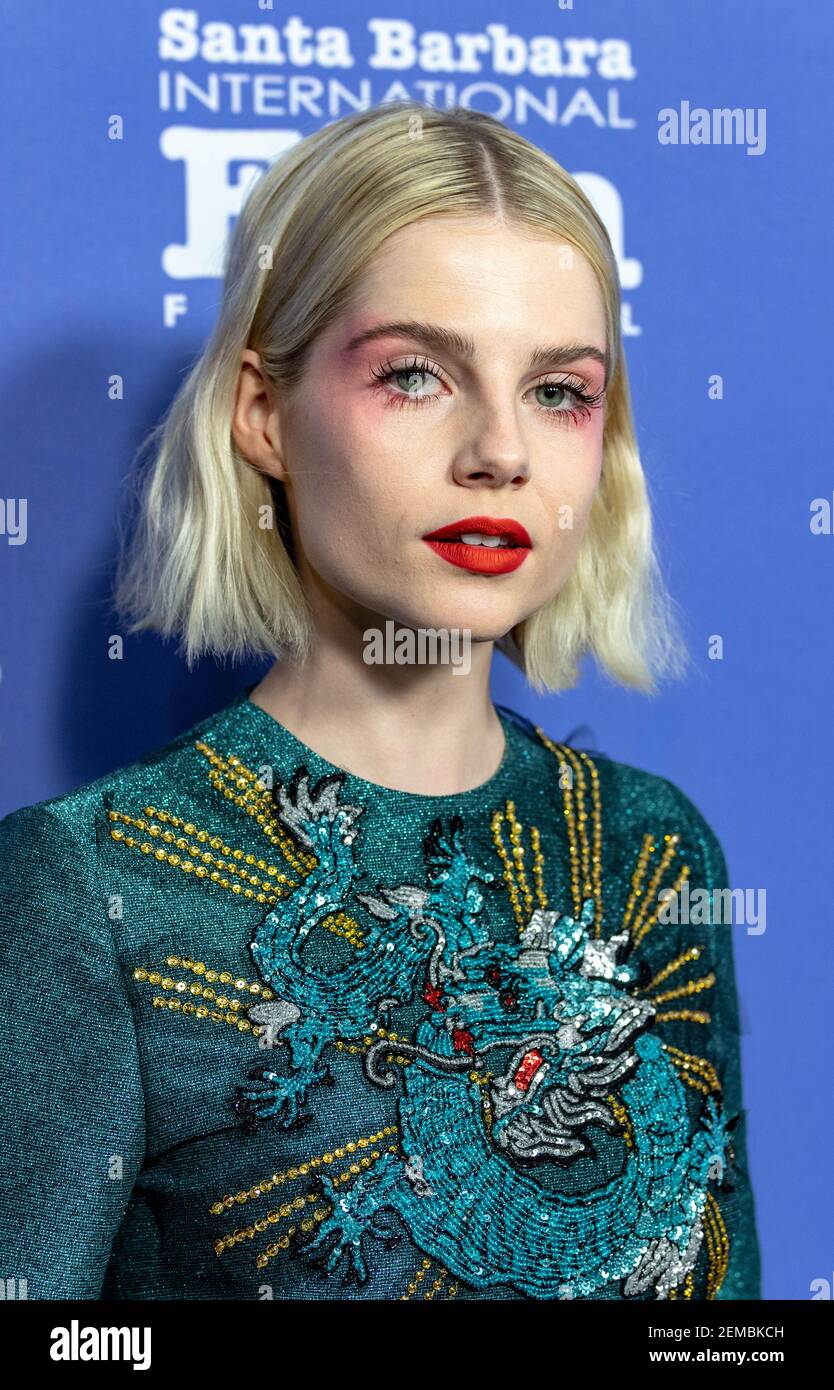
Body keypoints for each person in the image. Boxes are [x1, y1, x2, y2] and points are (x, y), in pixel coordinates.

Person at [0, 101, 760, 1301]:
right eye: (416, 374)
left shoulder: (651, 845)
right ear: (263, 414)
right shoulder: (82, 886)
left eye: (561, 391)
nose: (501, 450)